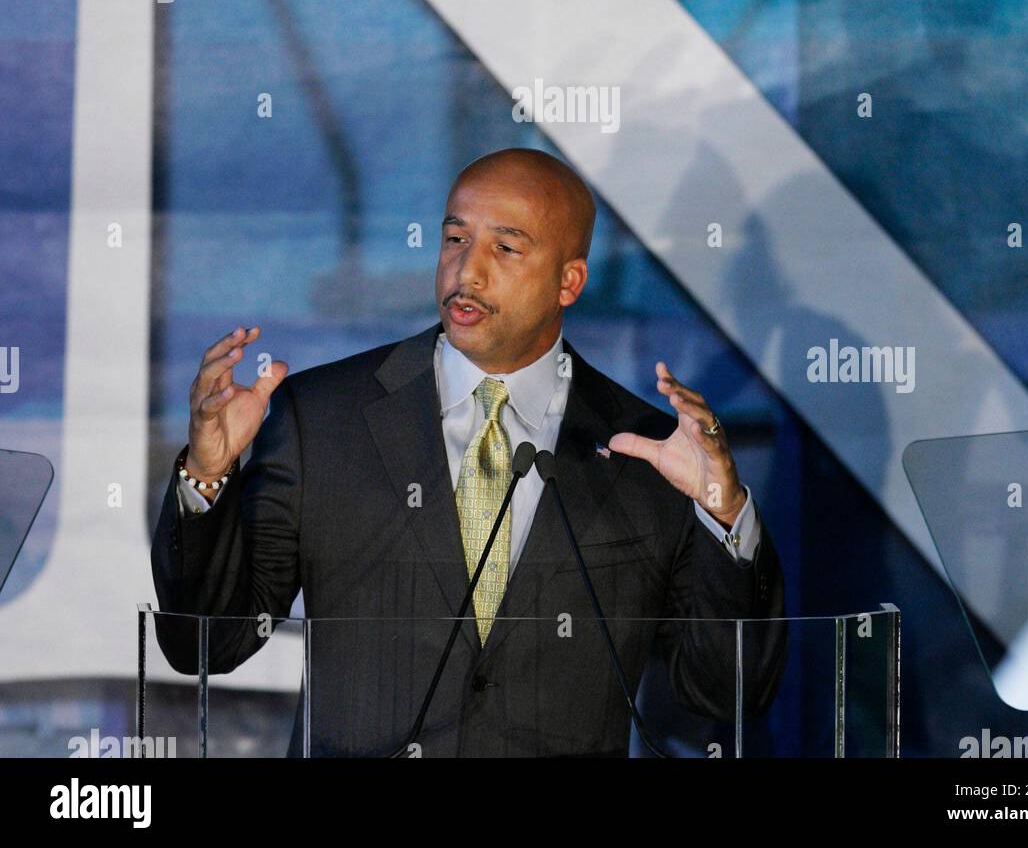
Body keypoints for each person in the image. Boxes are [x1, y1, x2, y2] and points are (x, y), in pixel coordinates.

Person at [151, 148, 786, 756]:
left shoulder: (647, 450)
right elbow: (206, 644)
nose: (468, 271)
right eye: (456, 240)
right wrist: (208, 474)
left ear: (570, 281)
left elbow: (725, 691)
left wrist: (722, 513)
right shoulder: (323, 419)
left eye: (506, 248)